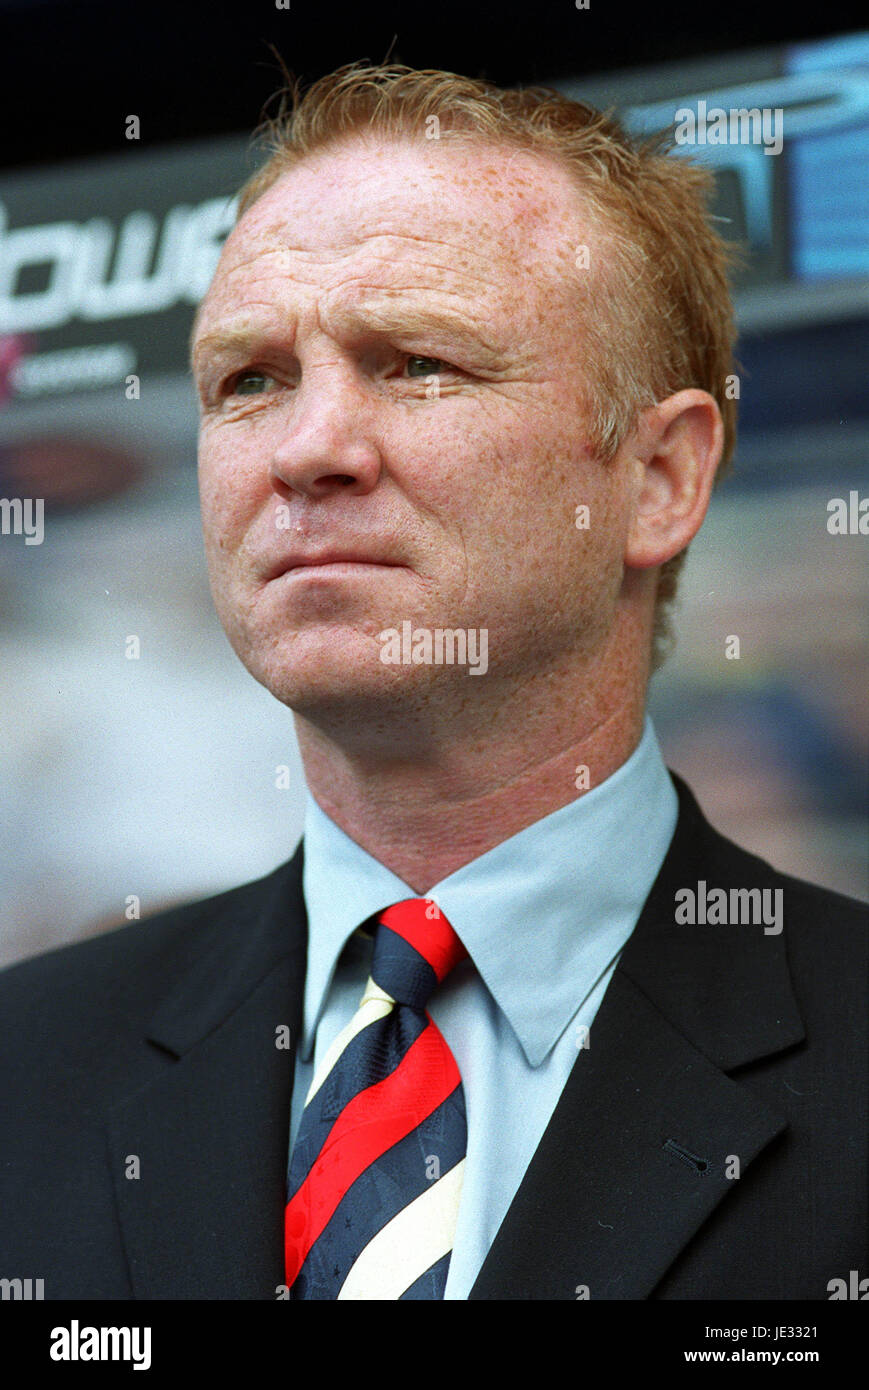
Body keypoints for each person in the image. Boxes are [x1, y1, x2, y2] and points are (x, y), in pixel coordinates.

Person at [1, 62, 864, 1301]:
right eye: (248, 379)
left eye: (415, 363)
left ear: (660, 477)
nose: (306, 449)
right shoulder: (26, 1065)